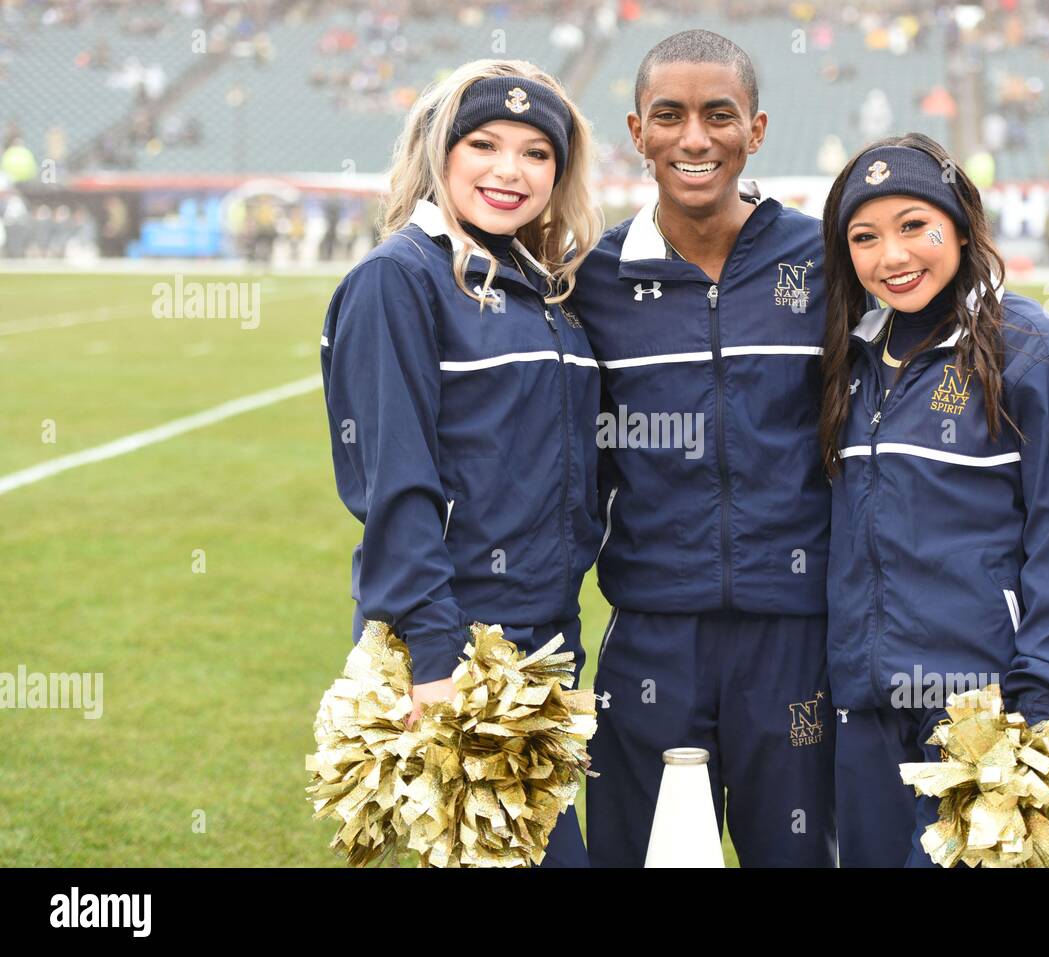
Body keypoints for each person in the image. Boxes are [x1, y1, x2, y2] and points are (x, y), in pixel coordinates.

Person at [320, 59, 604, 867]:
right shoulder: (398, 280)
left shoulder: (543, 291)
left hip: (543, 646)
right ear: (439, 151)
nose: (510, 170)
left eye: (536, 152)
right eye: (483, 143)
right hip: (456, 650)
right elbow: (396, 487)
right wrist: (439, 657)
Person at [570, 30, 841, 867]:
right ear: (637, 131)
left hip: (796, 638)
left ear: (755, 131)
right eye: (670, 116)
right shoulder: (596, 280)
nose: (695, 139)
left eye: (718, 115)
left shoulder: (826, 260)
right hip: (653, 636)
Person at [818, 133, 1049, 867]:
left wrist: (1038, 703)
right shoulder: (849, 358)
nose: (892, 255)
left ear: (959, 223)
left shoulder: (1030, 350)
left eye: (914, 225)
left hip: (985, 717)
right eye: (865, 236)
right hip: (865, 713)